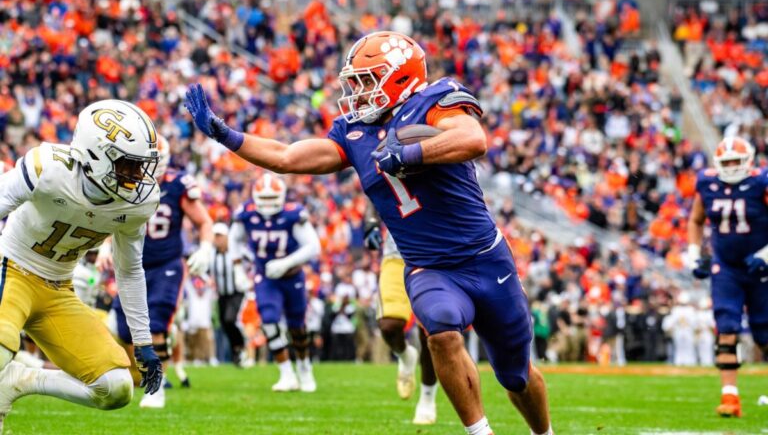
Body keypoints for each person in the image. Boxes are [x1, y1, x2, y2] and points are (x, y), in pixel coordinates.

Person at [185, 31, 553, 435]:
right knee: (442, 331)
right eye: (356, 81)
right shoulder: (352, 131)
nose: (357, 91)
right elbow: (287, 157)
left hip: (485, 258)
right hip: (427, 266)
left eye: (366, 79)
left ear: (399, 77)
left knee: (515, 374)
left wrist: (411, 153)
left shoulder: (434, 100)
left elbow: (472, 138)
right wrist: (225, 135)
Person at [0, 100, 164, 431]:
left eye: (140, 166)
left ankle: (19, 381)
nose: (136, 177)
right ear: (96, 154)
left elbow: (130, 270)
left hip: (59, 290)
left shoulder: (138, 204)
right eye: (128, 165)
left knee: (116, 387)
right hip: (11, 268)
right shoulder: (49, 168)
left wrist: (143, 342)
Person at [108, 135, 213, 408]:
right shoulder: (124, 181)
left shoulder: (177, 185)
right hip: (132, 263)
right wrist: (107, 246)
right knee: (123, 327)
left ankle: (157, 388)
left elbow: (203, 221)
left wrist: (205, 247)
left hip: (167, 264)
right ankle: (147, 370)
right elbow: (110, 218)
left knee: (155, 323)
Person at [688, 136, 768, 418]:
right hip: (727, 267)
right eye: (727, 162)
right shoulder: (708, 183)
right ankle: (730, 397)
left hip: (761, 266)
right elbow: (696, 220)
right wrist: (693, 253)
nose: (732, 167)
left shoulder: (761, 183)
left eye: (737, 161)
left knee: (764, 333)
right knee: (726, 326)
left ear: (749, 162)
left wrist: (766, 255)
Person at [230, 173, 321, 392]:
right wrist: (237, 271)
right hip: (266, 277)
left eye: (273, 199)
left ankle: (304, 368)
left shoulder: (293, 215)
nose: (269, 204)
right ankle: (286, 373)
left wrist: (286, 262)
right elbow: (234, 239)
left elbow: (313, 247)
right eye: (265, 199)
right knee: (269, 321)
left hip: (292, 276)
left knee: (297, 327)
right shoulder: (247, 214)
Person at [364, 206, 439, 425]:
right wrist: (370, 220)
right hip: (397, 252)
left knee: (432, 331)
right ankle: (406, 356)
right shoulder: (389, 169)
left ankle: (427, 398)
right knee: (388, 325)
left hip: (436, 253)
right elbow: (371, 184)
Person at [210, 222, 251, 365]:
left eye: (219, 236)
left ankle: (241, 346)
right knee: (224, 323)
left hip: (237, 292)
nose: (217, 239)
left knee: (230, 319)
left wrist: (249, 279)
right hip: (222, 293)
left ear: (227, 237)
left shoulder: (238, 251)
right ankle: (237, 350)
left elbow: (253, 262)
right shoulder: (211, 254)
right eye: (215, 236)